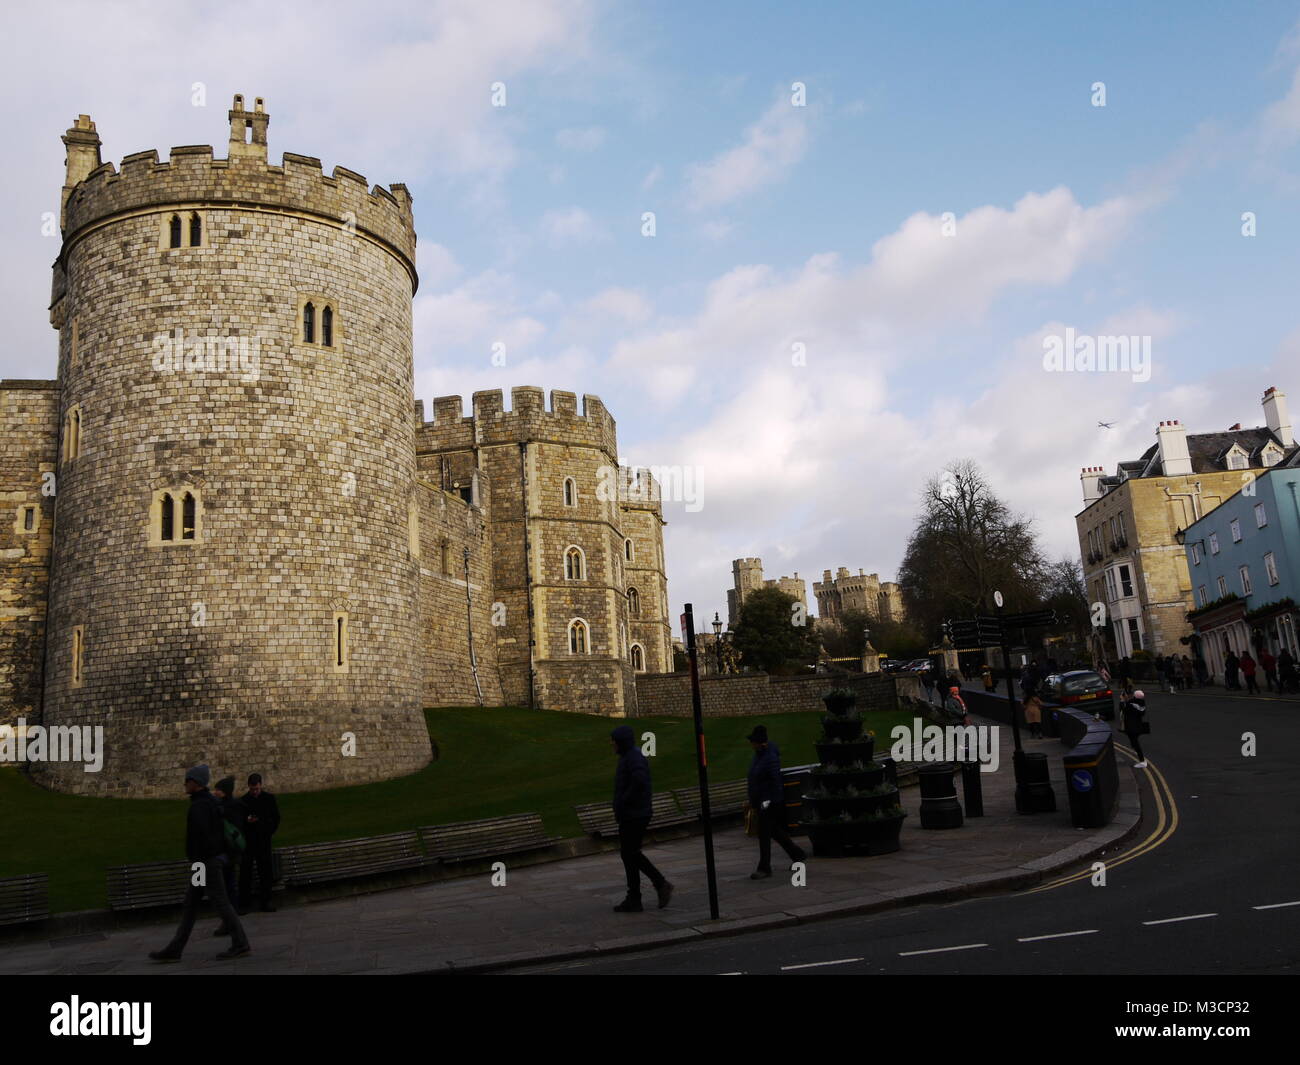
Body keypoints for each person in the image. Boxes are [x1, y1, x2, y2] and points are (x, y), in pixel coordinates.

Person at [149, 765, 250, 962]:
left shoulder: (200, 806)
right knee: (191, 904)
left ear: (195, 783)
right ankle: (175, 949)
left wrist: (202, 858)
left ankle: (240, 942)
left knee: (219, 901)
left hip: (205, 863)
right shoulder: (208, 802)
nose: (184, 784)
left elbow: (204, 836)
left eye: (187, 780)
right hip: (202, 863)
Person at [610, 725, 672, 912]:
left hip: (635, 814)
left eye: (614, 741)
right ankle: (634, 898)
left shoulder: (634, 757)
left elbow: (640, 781)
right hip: (633, 813)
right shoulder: (628, 756)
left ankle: (660, 883)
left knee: (631, 853)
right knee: (628, 854)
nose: (611, 744)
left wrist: (624, 801)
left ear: (621, 742)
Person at [745, 726, 805, 879]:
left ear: (760, 743)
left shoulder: (769, 758)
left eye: (753, 742)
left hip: (768, 802)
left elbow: (774, 783)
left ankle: (764, 868)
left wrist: (766, 803)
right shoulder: (759, 755)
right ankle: (797, 854)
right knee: (774, 832)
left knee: (764, 834)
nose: (751, 744)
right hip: (761, 801)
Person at [239, 772, 281, 913]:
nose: (255, 792)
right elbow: (239, 822)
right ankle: (244, 903)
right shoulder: (244, 801)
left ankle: (266, 901)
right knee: (246, 873)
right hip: (249, 842)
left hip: (263, 840)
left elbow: (275, 819)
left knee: (265, 872)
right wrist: (247, 821)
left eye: (256, 789)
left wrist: (265, 828)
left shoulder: (269, 799)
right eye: (252, 789)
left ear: (260, 785)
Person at [211, 776, 246, 935]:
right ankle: (231, 922)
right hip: (227, 854)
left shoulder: (227, 808)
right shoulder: (230, 806)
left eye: (218, 789)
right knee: (227, 886)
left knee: (226, 888)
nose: (215, 792)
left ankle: (230, 923)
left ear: (224, 792)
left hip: (226, 854)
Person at [1121, 689, 1149, 768]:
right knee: (1134, 743)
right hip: (1137, 726)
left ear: (1135, 696)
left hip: (1131, 727)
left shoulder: (1131, 704)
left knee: (1135, 744)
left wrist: (1123, 700)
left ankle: (1142, 761)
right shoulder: (1142, 704)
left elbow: (1123, 710)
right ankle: (1141, 759)